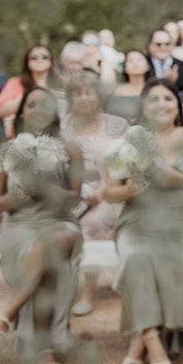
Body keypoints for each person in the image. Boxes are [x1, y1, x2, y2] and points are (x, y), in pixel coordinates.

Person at [103, 79, 183, 364]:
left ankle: (139, 339)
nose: (161, 104)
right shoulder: (131, 141)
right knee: (136, 258)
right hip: (140, 221)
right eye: (153, 99)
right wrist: (129, 188)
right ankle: (152, 341)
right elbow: (109, 191)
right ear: (143, 107)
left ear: (178, 105)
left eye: (168, 98)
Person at [0, 86, 83, 364]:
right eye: (32, 105)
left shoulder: (69, 148)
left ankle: (5, 316)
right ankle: (45, 349)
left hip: (59, 222)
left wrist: (47, 189)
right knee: (47, 259)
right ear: (22, 113)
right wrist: (18, 196)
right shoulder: (5, 150)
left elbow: (75, 198)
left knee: (52, 241)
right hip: (19, 225)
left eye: (46, 105)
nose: (38, 111)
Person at [63, 74, 129, 314]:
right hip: (71, 192)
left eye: (89, 92)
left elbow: (127, 164)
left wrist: (104, 190)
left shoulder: (117, 125)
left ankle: (89, 289)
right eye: (77, 93)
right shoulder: (62, 125)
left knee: (95, 221)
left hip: (108, 191)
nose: (84, 98)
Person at [0, 44, 59, 137]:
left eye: (44, 57)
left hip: (54, 135)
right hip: (23, 136)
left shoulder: (61, 84)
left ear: (51, 61)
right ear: (27, 61)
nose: (39, 60)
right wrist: (28, 97)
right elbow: (0, 111)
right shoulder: (16, 83)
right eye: (34, 57)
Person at [106, 49, 151, 122]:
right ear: (125, 68)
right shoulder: (116, 91)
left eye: (139, 60)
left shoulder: (154, 89)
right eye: (130, 60)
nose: (135, 63)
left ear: (148, 66)